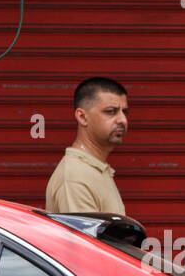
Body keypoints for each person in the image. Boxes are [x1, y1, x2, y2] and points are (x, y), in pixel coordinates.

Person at [45, 77, 129, 215]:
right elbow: (82, 237)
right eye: (111, 111)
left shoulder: (94, 169)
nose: (123, 120)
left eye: (124, 112)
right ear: (82, 117)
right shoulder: (75, 176)